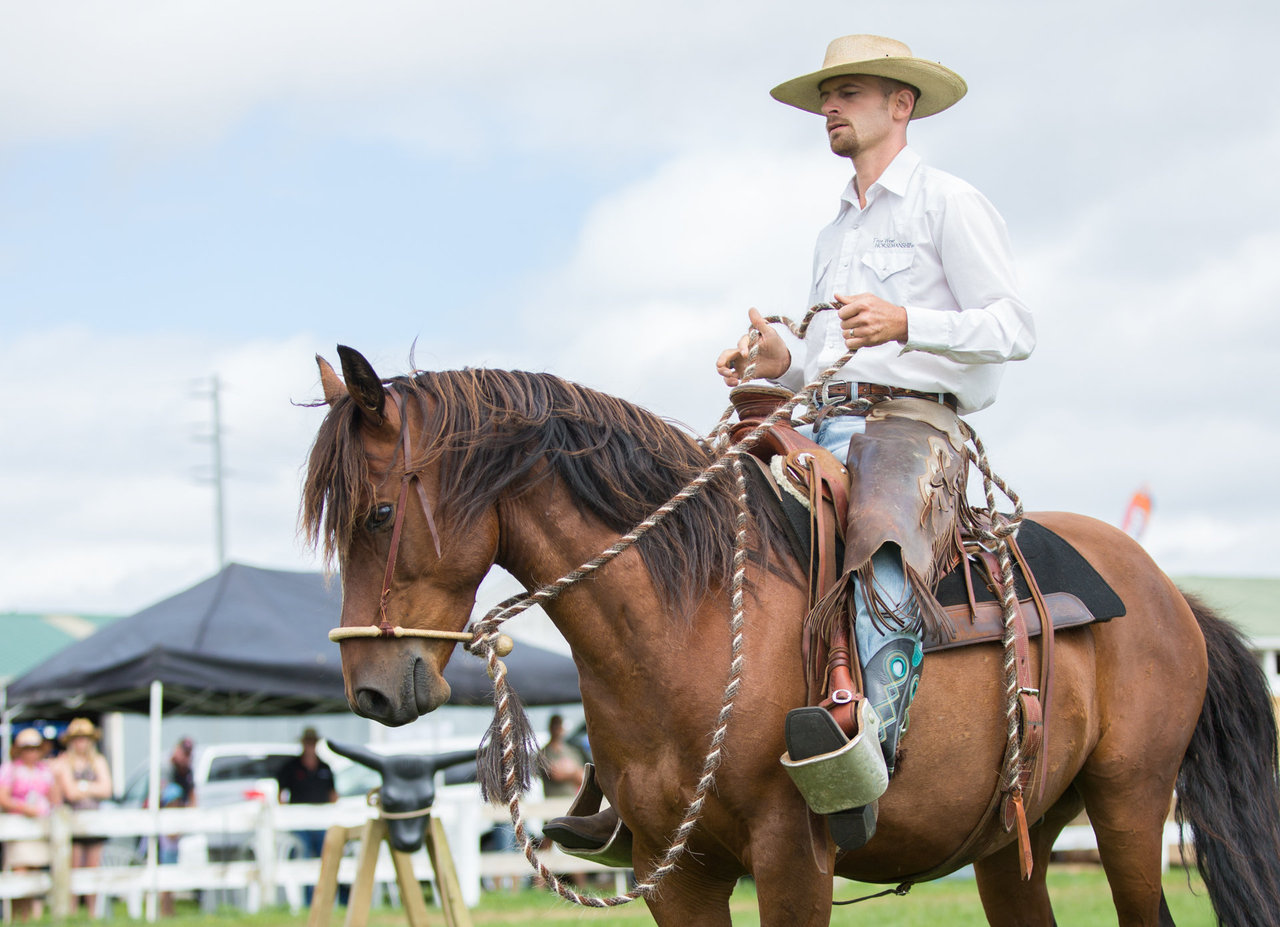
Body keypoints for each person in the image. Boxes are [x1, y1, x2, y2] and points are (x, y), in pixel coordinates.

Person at [547, 32, 1034, 855]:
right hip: (819, 418)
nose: (830, 109)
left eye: (847, 93)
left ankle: (869, 741)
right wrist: (782, 360)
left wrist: (908, 321)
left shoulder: (947, 202)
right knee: (691, 522)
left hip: (916, 425)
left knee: (879, 538)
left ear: (900, 105)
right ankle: (638, 769)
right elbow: (825, 357)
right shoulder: (831, 232)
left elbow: (1014, 326)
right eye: (825, 97)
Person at [53, 718, 113, 917]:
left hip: (93, 822)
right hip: (72, 822)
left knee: (93, 870)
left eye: (84, 738)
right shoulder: (64, 762)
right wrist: (90, 788)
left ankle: (92, 915)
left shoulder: (98, 761)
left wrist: (82, 787)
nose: (81, 742)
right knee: (73, 869)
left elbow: (107, 789)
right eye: (77, 738)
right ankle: (70, 914)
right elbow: (69, 793)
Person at [0, 728, 62, 921]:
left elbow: (55, 797)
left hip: (39, 828)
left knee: (36, 871)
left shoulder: (45, 770)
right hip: (18, 827)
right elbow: (3, 797)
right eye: (27, 748)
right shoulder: (10, 769)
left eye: (35, 748)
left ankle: (32, 918)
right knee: (19, 871)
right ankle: (18, 917)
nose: (31, 752)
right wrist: (25, 808)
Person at [275, 727, 337, 905]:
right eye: (307, 742)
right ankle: (305, 902)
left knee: (324, 860)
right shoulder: (291, 767)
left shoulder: (325, 767)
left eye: (312, 742)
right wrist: (286, 816)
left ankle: (325, 900)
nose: (310, 746)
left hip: (321, 822)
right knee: (303, 860)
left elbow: (333, 794)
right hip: (300, 824)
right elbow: (281, 794)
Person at [169, 737, 195, 807]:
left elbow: (192, 795)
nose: (186, 758)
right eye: (184, 754)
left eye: (188, 754)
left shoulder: (188, 772)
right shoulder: (168, 769)